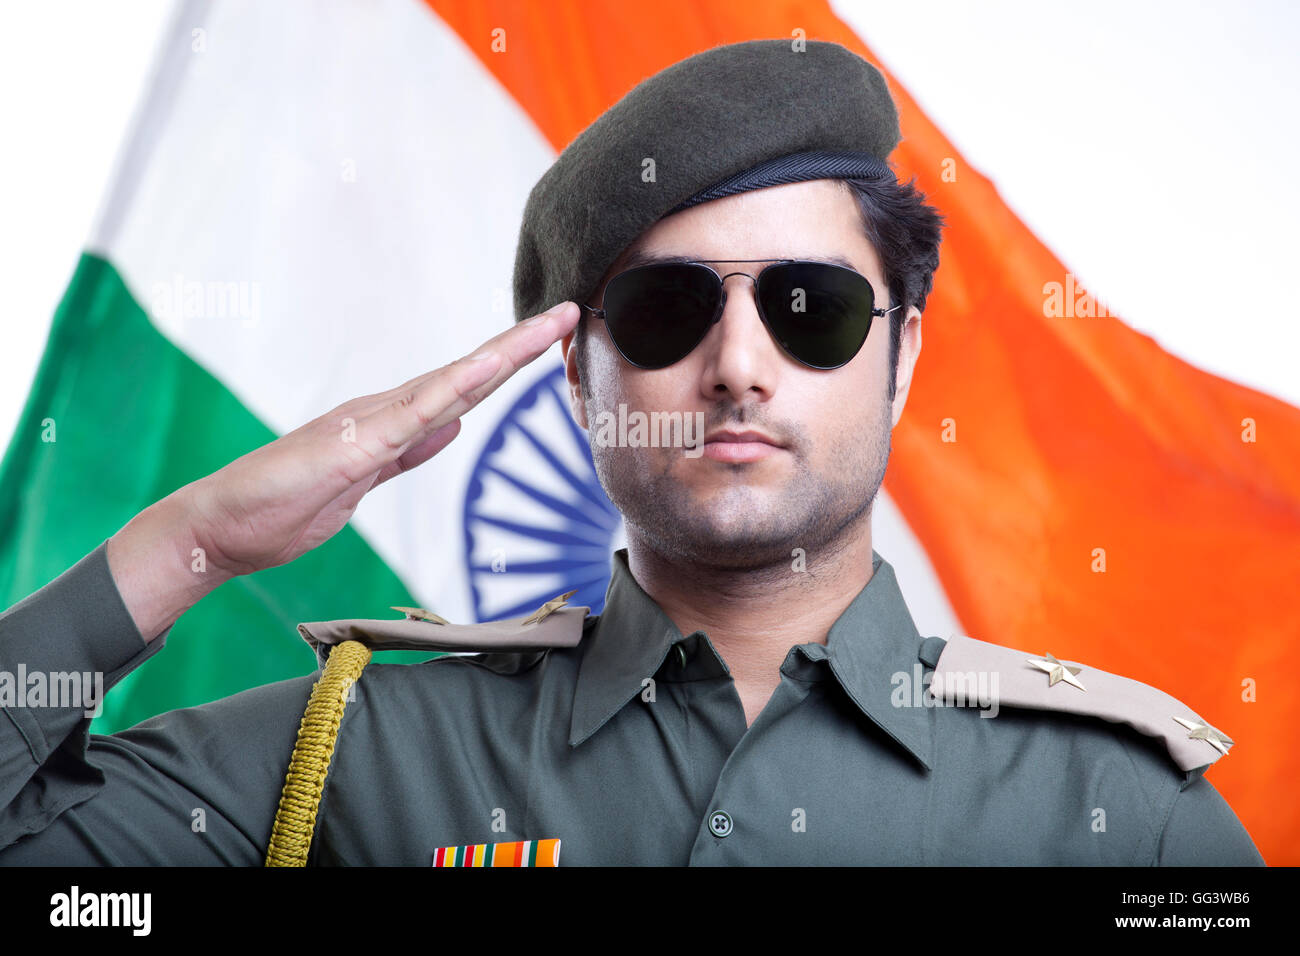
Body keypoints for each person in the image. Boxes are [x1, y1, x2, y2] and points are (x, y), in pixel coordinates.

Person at [0, 39, 1263, 865]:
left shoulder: (1118, 814)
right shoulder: (352, 754)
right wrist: (195, 541)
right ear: (576, 373)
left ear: (904, 356)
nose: (736, 366)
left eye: (808, 306)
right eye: (666, 311)